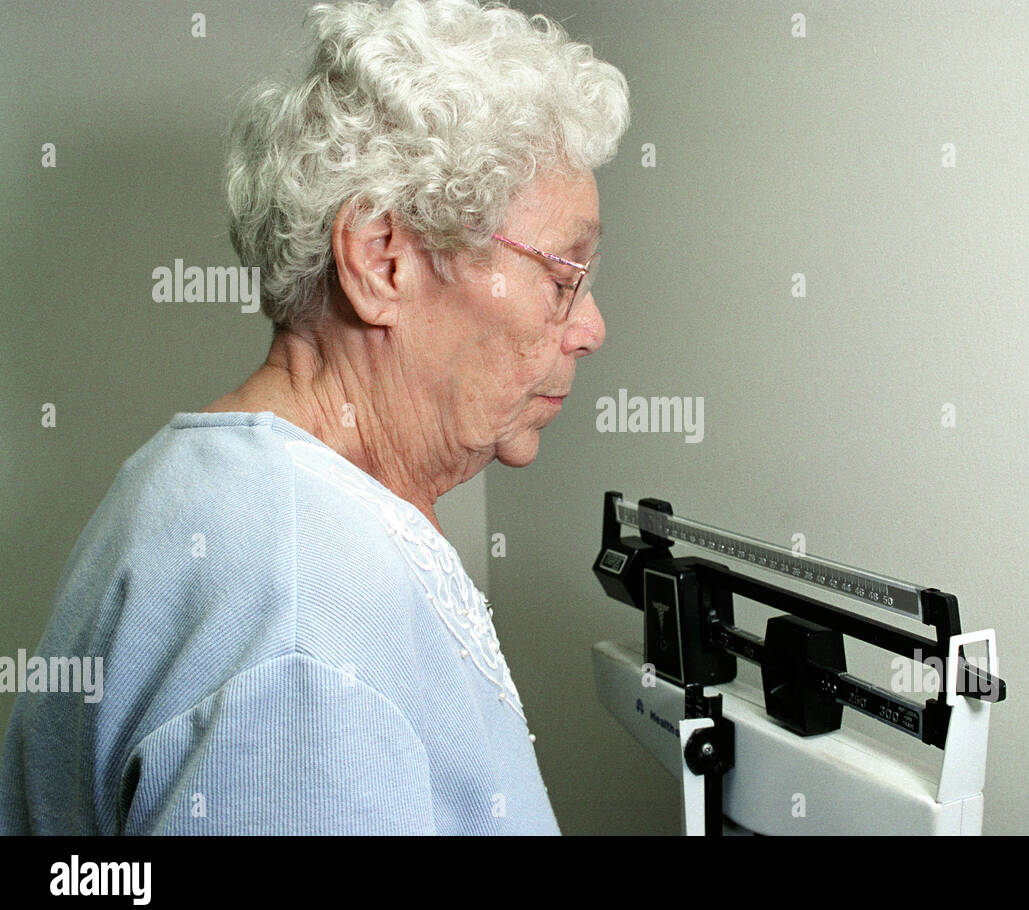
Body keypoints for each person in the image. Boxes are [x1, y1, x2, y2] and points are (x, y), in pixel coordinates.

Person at [0, 0, 629, 835]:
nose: (592, 327)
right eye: (564, 276)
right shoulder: (305, 633)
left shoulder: (210, 482)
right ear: (382, 260)